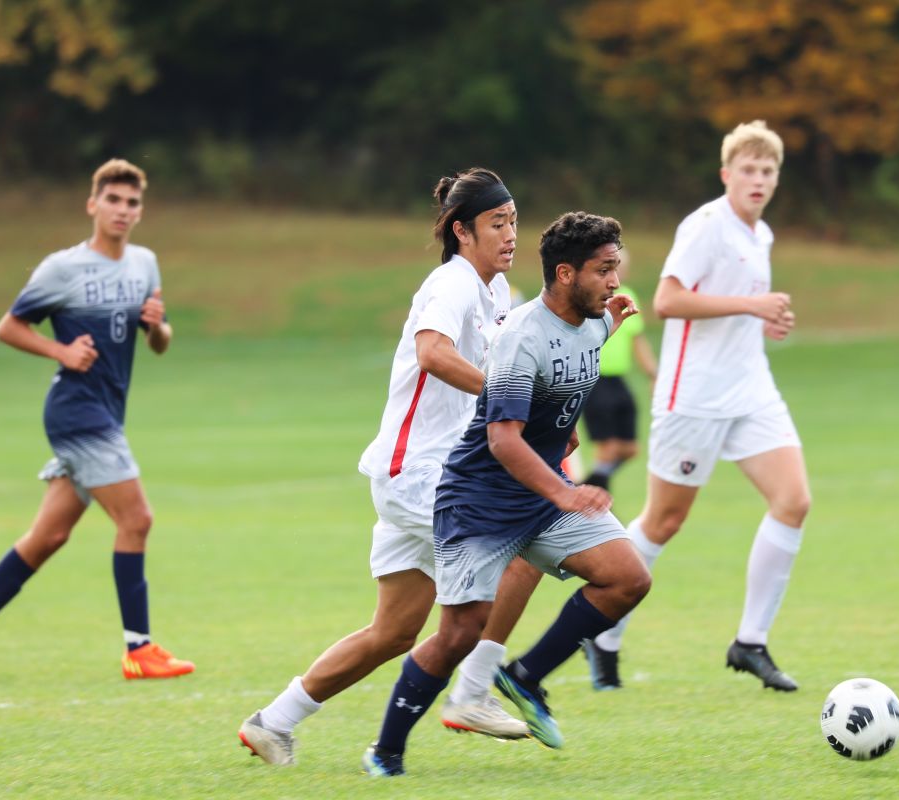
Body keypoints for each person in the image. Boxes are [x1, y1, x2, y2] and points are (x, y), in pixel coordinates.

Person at [238, 168, 542, 767]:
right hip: (419, 474)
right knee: (530, 544)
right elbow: (433, 352)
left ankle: (272, 723)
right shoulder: (449, 285)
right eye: (497, 224)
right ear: (462, 231)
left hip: (425, 477)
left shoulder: (496, 292)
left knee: (395, 632)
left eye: (514, 222)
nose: (510, 235)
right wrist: (502, 393)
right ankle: (474, 692)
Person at [362, 211, 653, 777]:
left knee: (627, 578)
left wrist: (612, 323)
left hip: (538, 495)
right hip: (479, 499)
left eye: (616, 268)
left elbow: (575, 357)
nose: (615, 281)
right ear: (565, 274)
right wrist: (565, 492)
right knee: (458, 634)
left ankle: (523, 677)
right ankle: (386, 751)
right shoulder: (521, 337)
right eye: (605, 270)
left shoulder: (592, 320)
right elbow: (501, 440)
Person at [0, 159, 195, 681]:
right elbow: (7, 327)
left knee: (48, 537)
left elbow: (160, 342)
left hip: (106, 414)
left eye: (132, 203)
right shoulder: (62, 269)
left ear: (141, 211)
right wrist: (60, 350)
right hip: (77, 413)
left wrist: (157, 326)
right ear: (92, 204)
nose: (123, 211)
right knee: (136, 519)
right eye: (113, 200)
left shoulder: (144, 263)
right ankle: (139, 649)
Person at [583, 120, 809, 693]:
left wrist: (765, 318)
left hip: (751, 390)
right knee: (664, 522)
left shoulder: (763, 236)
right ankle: (602, 634)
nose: (759, 180)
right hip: (695, 398)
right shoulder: (706, 226)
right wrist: (753, 305)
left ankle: (749, 642)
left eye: (768, 171)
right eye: (749, 170)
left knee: (794, 500)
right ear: (726, 175)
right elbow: (667, 300)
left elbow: (741, 313)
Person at [579, 248, 656, 492]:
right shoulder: (590, 299)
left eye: (620, 267)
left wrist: (653, 374)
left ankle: (587, 486)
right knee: (608, 447)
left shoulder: (628, 296)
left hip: (618, 380)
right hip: (594, 379)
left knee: (630, 448)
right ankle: (596, 498)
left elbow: (637, 339)